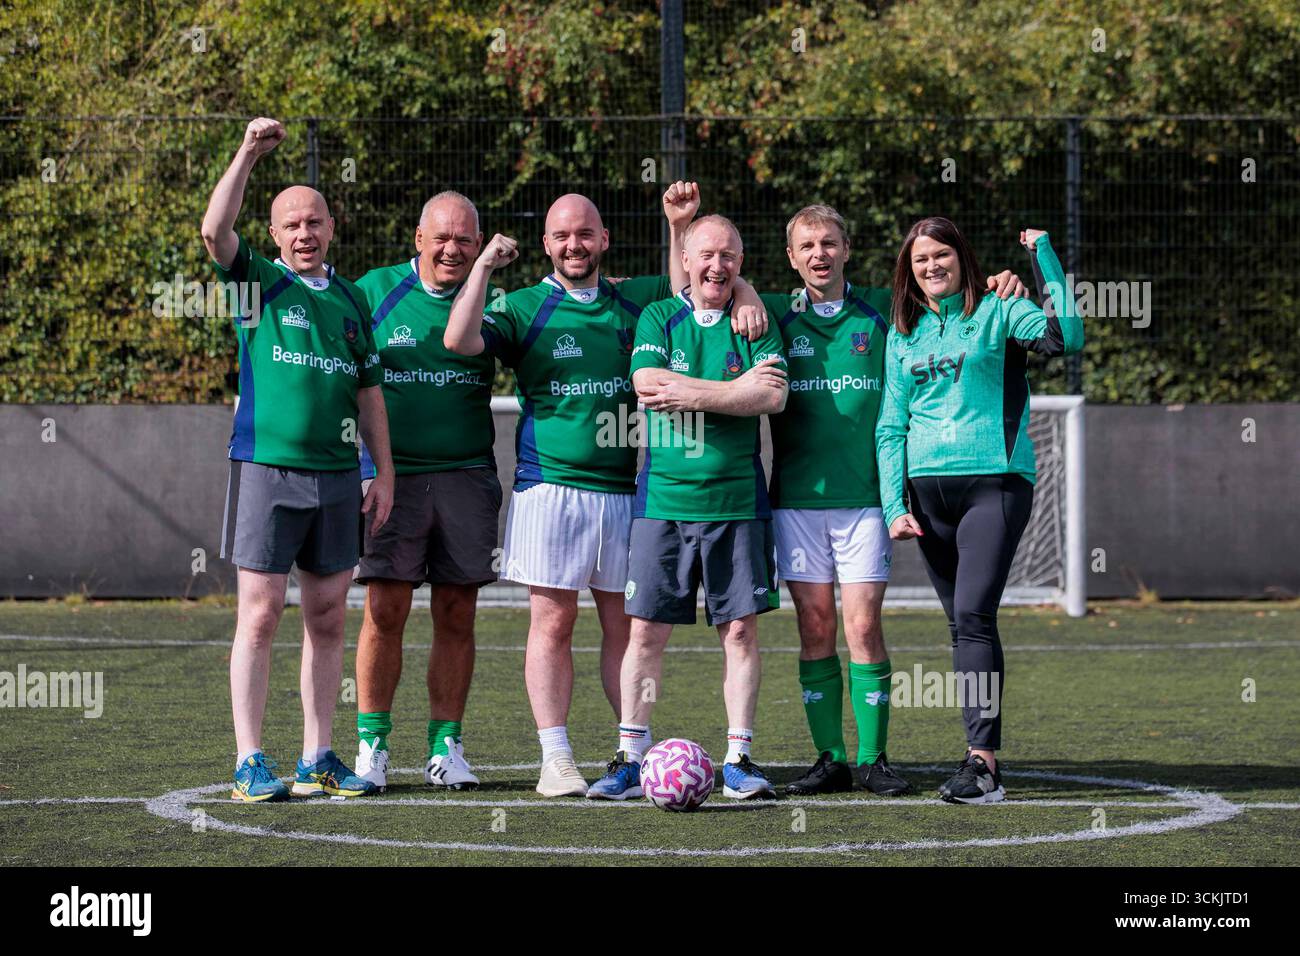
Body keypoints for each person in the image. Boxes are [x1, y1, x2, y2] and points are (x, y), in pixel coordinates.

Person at [443, 186, 769, 796]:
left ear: (603, 240)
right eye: (562, 235)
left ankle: (633, 752)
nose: (575, 244)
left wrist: (730, 272)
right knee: (553, 621)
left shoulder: (633, 302)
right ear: (546, 243)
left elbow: (696, 286)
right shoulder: (524, 305)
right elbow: (459, 340)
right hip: (549, 487)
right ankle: (556, 756)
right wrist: (484, 263)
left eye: (586, 233)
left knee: (629, 628)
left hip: (628, 491)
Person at [764, 205, 1028, 796]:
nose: (819, 254)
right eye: (806, 246)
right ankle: (829, 758)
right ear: (790, 257)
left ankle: (874, 759)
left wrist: (1003, 283)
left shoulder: (889, 311)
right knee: (813, 626)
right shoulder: (774, 312)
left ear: (847, 247)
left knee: (862, 625)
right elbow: (707, 291)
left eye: (829, 242)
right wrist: (748, 289)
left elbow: (950, 305)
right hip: (797, 498)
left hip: (867, 499)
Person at [203, 117, 394, 802]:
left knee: (328, 615)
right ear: (276, 235)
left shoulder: (350, 301)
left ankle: (318, 754)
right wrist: (249, 153)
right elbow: (213, 232)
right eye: (290, 225)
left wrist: (384, 471)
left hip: (340, 477)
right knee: (259, 614)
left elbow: (369, 392)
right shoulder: (256, 281)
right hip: (267, 469)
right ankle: (250, 760)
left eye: (314, 222)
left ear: (331, 227)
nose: (303, 234)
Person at [876, 217, 1083, 804]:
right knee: (959, 624)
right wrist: (894, 503)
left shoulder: (998, 309)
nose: (932, 266)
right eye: (920, 261)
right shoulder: (903, 334)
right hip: (926, 496)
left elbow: (1068, 336)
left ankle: (983, 765)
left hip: (995, 484)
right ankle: (976, 757)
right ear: (908, 272)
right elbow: (891, 426)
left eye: (942, 255)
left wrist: (1042, 254)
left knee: (973, 615)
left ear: (962, 258)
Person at [588, 214, 789, 801]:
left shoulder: (755, 320)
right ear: (688, 258)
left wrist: (693, 392)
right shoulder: (658, 316)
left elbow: (772, 394)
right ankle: (629, 757)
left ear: (740, 262)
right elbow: (649, 384)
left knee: (741, 633)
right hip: (663, 504)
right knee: (645, 633)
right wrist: (735, 393)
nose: (716, 266)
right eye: (706, 254)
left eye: (728, 255)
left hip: (738, 502)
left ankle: (738, 760)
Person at [350, 191, 501, 791]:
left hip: (467, 476)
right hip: (395, 477)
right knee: (385, 607)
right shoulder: (371, 291)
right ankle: (371, 745)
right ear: (418, 239)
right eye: (441, 237)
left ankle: (445, 748)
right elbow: (342, 374)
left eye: (465, 239)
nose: (452, 249)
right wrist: (365, 462)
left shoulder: (494, 299)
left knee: (458, 611)